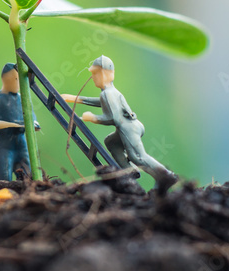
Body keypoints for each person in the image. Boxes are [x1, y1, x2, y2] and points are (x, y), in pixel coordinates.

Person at [62, 55, 179, 193]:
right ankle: (129, 171)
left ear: (104, 74)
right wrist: (75, 99)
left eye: (95, 73)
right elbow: (101, 102)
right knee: (112, 143)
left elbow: (113, 118)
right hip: (129, 126)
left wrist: (93, 118)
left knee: (138, 157)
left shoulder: (108, 94)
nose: (93, 77)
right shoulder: (108, 92)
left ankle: (166, 176)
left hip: (129, 129)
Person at [0, 63, 40, 181]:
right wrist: (11, 125)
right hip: (4, 145)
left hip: (22, 144)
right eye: (15, 79)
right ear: (5, 79)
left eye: (20, 79)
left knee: (28, 176)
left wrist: (32, 125)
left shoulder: (24, 99)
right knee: (3, 176)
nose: (18, 83)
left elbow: (35, 123)